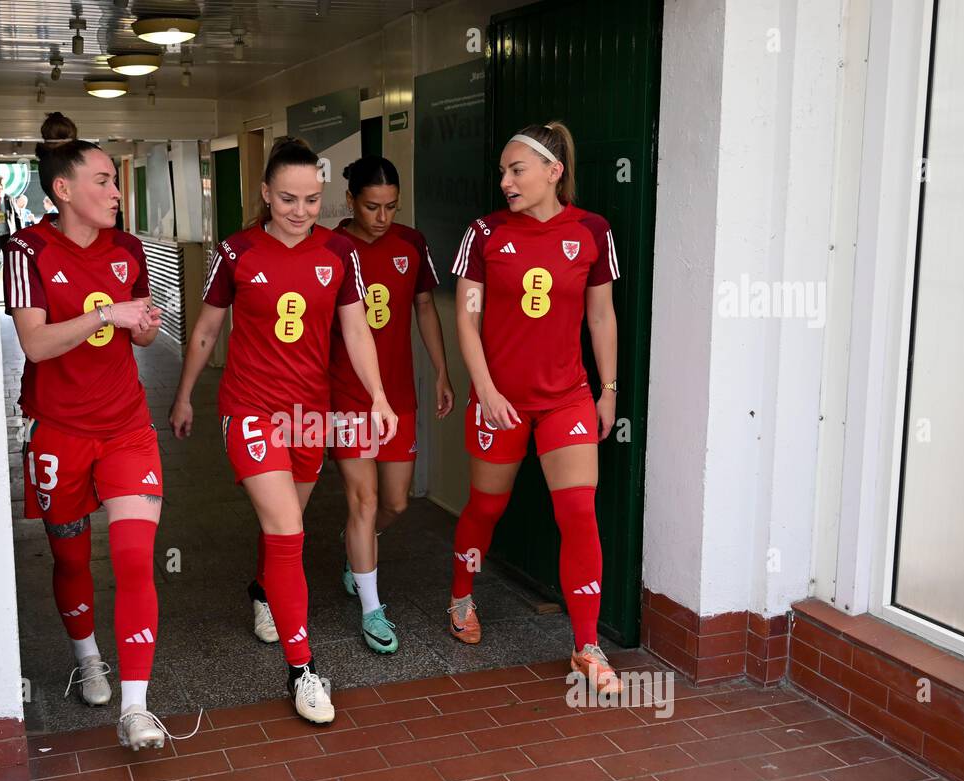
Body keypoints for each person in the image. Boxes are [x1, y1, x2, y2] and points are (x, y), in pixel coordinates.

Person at [168, 137, 397, 725]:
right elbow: (206, 330)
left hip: (309, 416)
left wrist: (376, 395)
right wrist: (186, 394)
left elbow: (355, 332)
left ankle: (262, 592)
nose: (300, 210)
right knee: (289, 530)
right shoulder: (238, 251)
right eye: (288, 199)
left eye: (312, 199)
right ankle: (304, 672)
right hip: (249, 410)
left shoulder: (339, 252)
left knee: (281, 535)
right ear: (266, 195)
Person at [2, 111, 175, 749]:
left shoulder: (128, 249)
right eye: (102, 180)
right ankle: (87, 657)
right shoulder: (28, 251)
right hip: (60, 433)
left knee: (133, 560)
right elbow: (36, 343)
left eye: (116, 181)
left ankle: (135, 707)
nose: (115, 192)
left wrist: (144, 327)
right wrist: (105, 311)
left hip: (127, 427)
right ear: (64, 190)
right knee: (71, 556)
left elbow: (139, 323)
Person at [448, 121, 623, 695]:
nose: (504, 181)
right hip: (501, 402)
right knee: (485, 509)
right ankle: (461, 595)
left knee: (579, 516)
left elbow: (601, 317)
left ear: (554, 172)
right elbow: (466, 319)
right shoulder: (484, 233)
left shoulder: (592, 231)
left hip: (567, 399)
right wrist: (487, 389)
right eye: (502, 171)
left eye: (516, 170)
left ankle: (587, 646)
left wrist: (608, 391)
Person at [328, 156, 453, 653]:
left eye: (391, 207)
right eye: (372, 206)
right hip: (348, 392)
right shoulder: (332, 247)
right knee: (365, 500)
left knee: (396, 503)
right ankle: (372, 609)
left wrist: (441, 369)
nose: (382, 217)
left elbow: (424, 306)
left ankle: (355, 549)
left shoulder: (411, 243)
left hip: (399, 393)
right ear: (350, 201)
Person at [0, 175, 16, 269]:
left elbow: (17, 218)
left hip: (7, 236)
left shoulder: (9, 199)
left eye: (1, 185)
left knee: (9, 263)